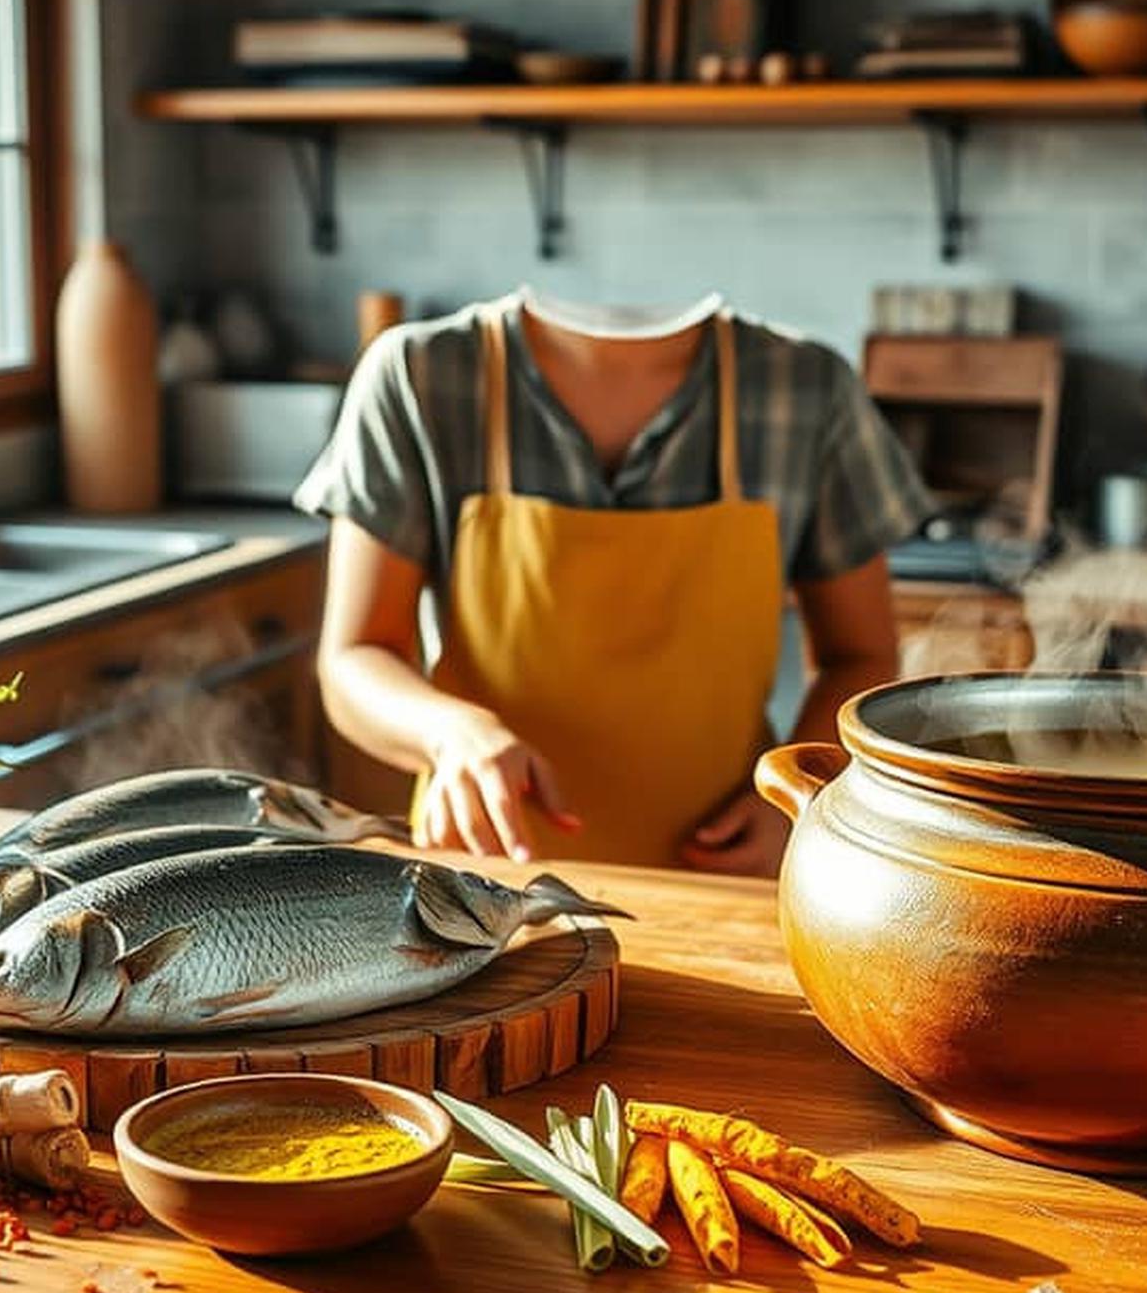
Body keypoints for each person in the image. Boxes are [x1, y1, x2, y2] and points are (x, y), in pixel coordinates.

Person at [295, 288, 933, 874]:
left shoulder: (807, 386)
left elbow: (862, 656)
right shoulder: (417, 375)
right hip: (488, 884)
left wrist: (800, 799)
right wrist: (452, 735)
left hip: (726, 873)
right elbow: (355, 658)